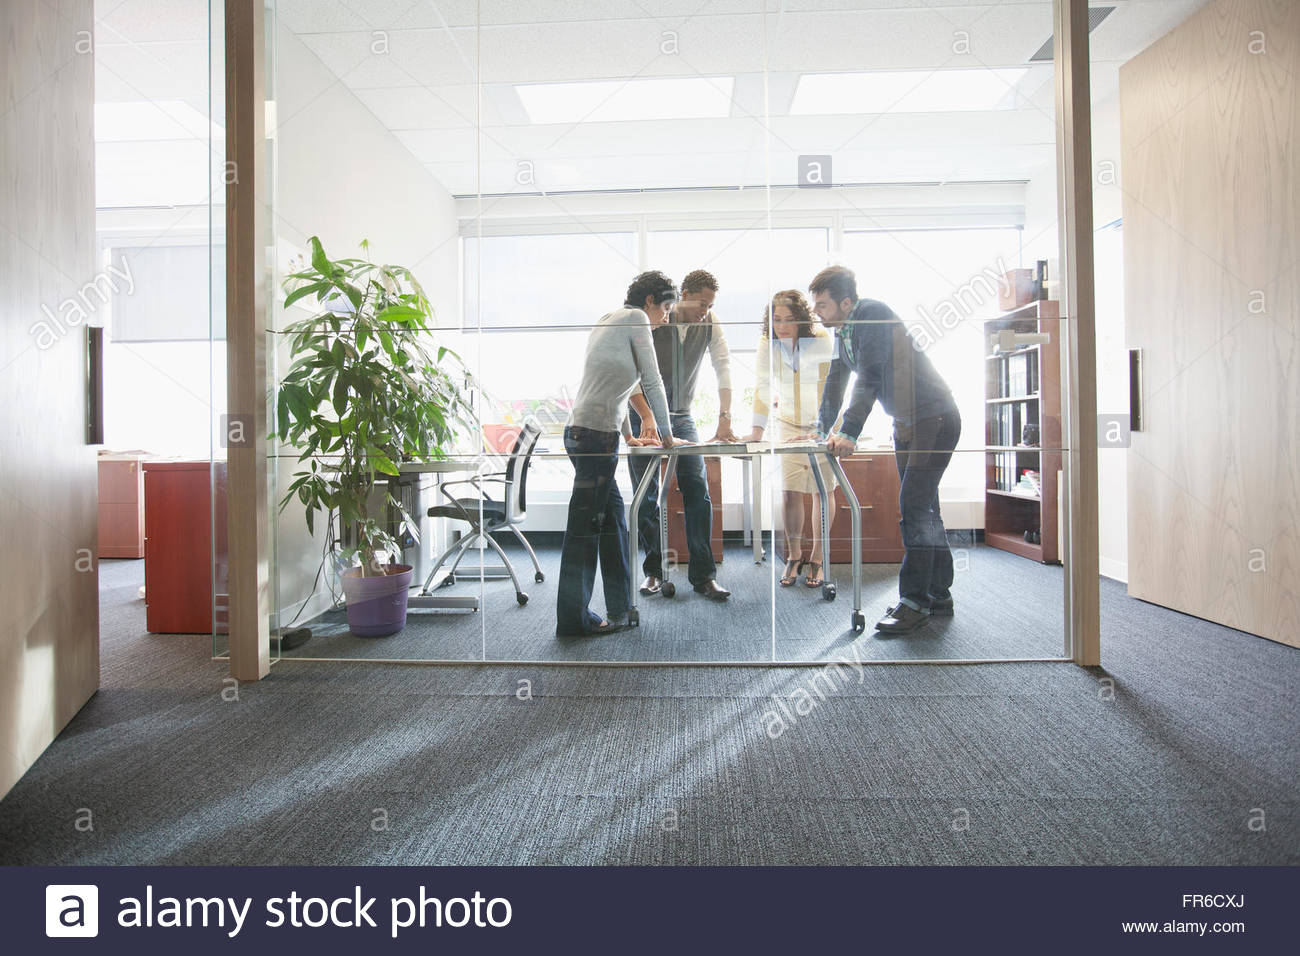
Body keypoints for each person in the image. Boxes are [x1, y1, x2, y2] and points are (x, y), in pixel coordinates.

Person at [808, 265, 961, 633]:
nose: (817, 311)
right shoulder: (845, 333)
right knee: (925, 509)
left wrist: (850, 431)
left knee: (913, 507)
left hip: (934, 419)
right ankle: (938, 593)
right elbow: (836, 382)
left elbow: (869, 377)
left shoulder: (872, 315)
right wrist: (818, 430)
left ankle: (915, 602)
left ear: (846, 302)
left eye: (823, 305)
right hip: (907, 423)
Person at [556, 271, 676, 638]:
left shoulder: (609, 320)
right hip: (593, 438)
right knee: (585, 530)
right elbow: (651, 380)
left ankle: (620, 609)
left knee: (613, 523)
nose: (667, 316)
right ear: (651, 301)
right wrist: (668, 437)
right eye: (666, 306)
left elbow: (613, 383)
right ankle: (573, 621)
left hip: (589, 433)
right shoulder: (636, 318)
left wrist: (628, 434)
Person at [627, 269, 736, 602]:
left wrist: (724, 418)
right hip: (642, 416)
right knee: (646, 493)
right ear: (684, 294)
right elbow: (628, 373)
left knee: (697, 487)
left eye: (710, 304)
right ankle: (654, 573)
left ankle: (703, 576)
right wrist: (647, 416)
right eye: (702, 302)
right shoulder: (656, 317)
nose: (706, 309)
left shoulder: (710, 323)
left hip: (682, 417)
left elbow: (723, 366)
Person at [745, 290, 837, 589]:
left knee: (822, 491)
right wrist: (757, 431)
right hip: (785, 423)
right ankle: (794, 555)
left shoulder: (821, 339)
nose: (781, 327)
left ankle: (818, 558)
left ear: (801, 321)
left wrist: (822, 429)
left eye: (788, 320)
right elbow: (761, 385)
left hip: (819, 424)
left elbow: (831, 386)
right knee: (789, 490)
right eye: (776, 320)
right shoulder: (767, 344)